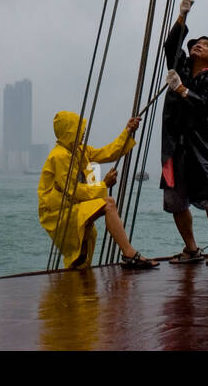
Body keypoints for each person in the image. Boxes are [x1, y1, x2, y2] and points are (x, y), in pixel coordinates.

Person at [160, 0, 208, 265]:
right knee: (175, 199)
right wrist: (182, 16)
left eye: (205, 45)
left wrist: (182, 90)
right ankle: (191, 248)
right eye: (196, 42)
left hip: (203, 146)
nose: (198, 44)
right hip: (173, 145)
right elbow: (170, 45)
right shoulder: (179, 66)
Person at [37, 111, 157, 269]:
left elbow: (108, 152)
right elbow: (73, 190)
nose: (84, 132)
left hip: (72, 207)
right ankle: (128, 253)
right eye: (80, 129)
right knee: (108, 204)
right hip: (58, 212)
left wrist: (127, 132)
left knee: (82, 251)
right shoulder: (59, 156)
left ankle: (78, 272)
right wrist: (104, 184)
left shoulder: (80, 151)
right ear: (70, 131)